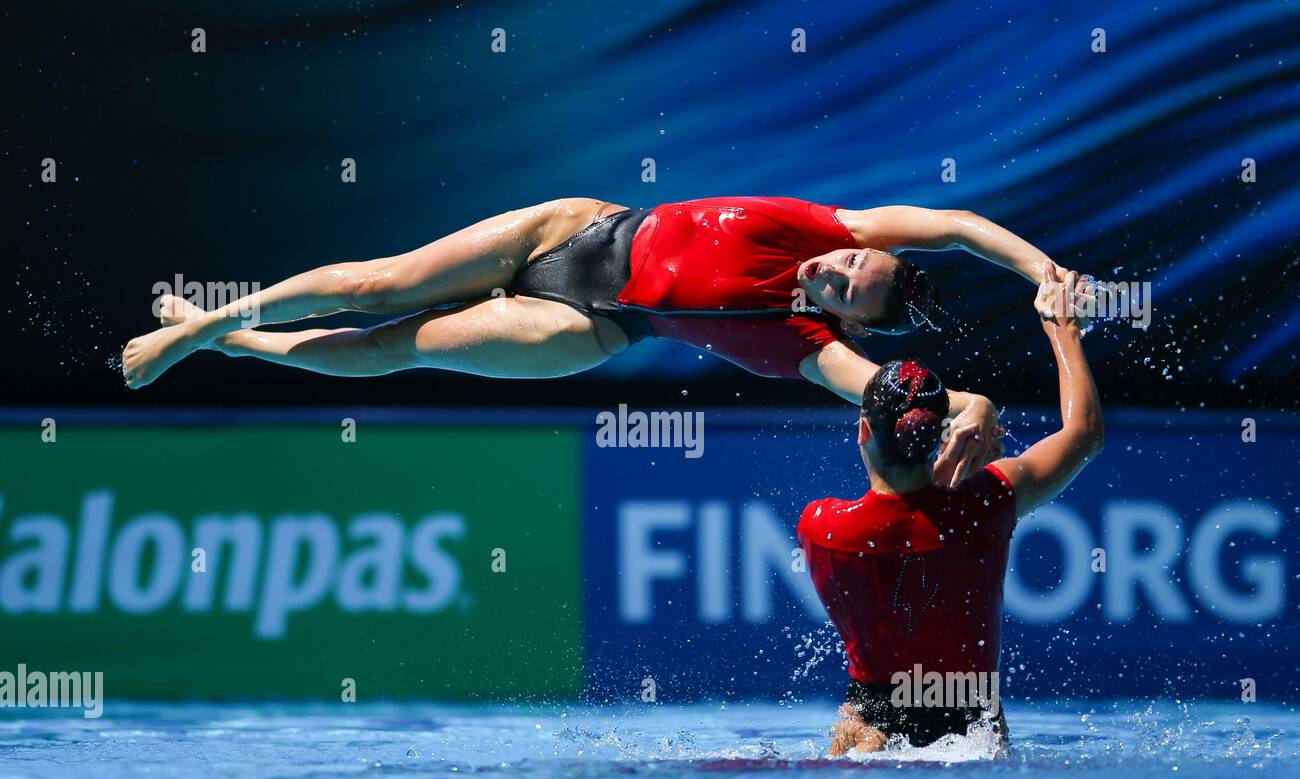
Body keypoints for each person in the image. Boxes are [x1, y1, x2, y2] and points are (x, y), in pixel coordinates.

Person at [122, 197, 1078, 481]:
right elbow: (955, 226)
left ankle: (232, 348)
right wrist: (1042, 270)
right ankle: (211, 321)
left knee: (391, 345)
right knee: (379, 282)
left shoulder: (805, 344)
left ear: (844, 320)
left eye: (840, 293)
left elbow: (887, 393)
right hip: (580, 231)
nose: (825, 275)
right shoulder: (822, 224)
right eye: (842, 265)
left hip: (586, 323)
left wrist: (980, 404)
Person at [797, 263, 1104, 753]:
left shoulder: (821, 525)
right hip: (973, 727)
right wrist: (1061, 328)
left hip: (869, 729)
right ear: (940, 435)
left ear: (864, 433)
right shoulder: (989, 501)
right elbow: (1084, 434)